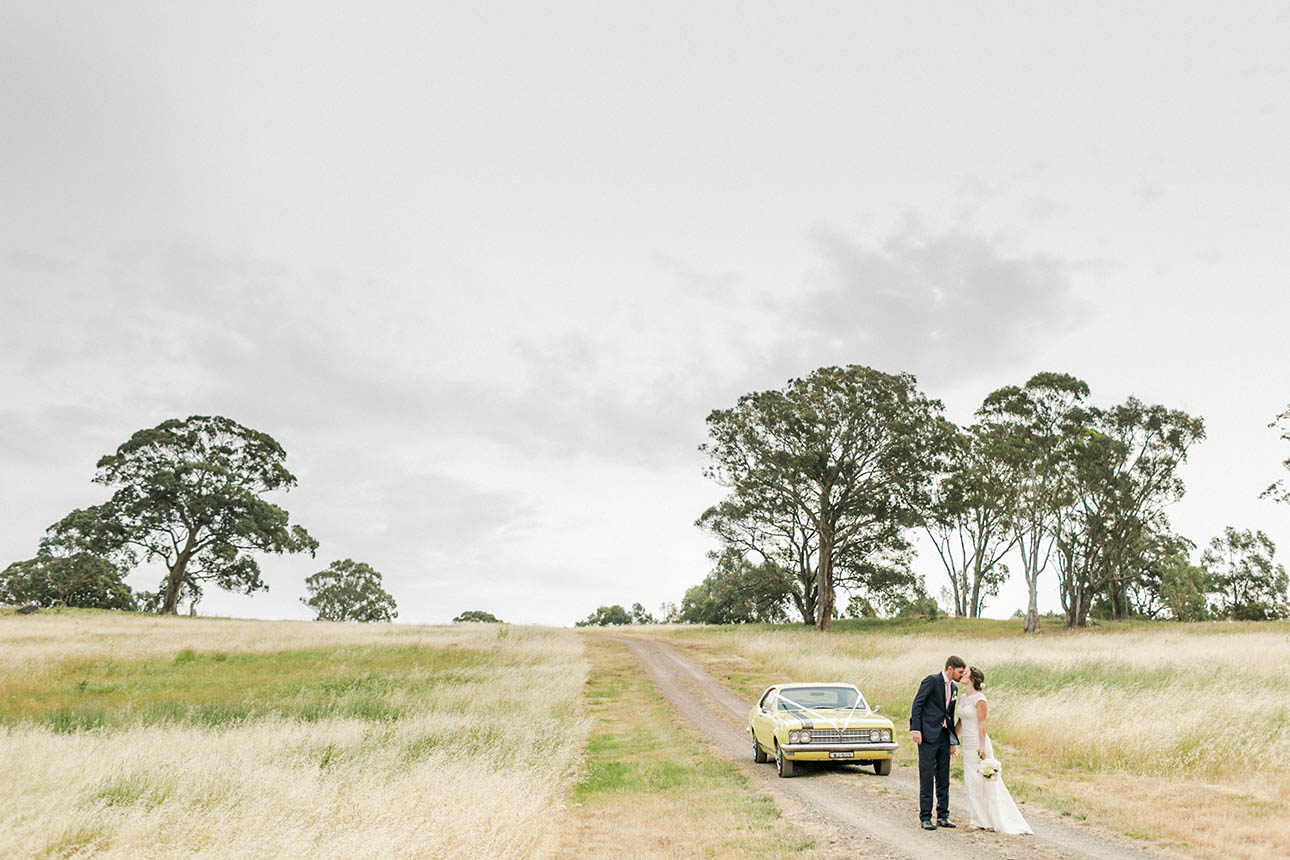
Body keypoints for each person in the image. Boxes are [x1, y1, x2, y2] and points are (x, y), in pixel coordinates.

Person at [955, 666, 1032, 835]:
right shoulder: (961, 698)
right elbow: (960, 723)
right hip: (966, 744)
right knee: (970, 781)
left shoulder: (980, 699)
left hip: (978, 742)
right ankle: (977, 819)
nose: (962, 675)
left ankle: (989, 819)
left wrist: (982, 747)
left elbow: (982, 724)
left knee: (983, 781)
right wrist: (952, 741)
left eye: (965, 674)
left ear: (973, 679)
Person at [910, 655, 965, 830]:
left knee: (944, 777)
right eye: (960, 672)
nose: (962, 675)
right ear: (950, 668)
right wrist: (916, 729)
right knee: (927, 776)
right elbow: (917, 704)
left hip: (943, 736)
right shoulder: (932, 681)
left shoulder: (954, 688)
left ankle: (943, 815)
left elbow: (950, 714)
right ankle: (925, 817)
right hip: (927, 735)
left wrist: (952, 741)